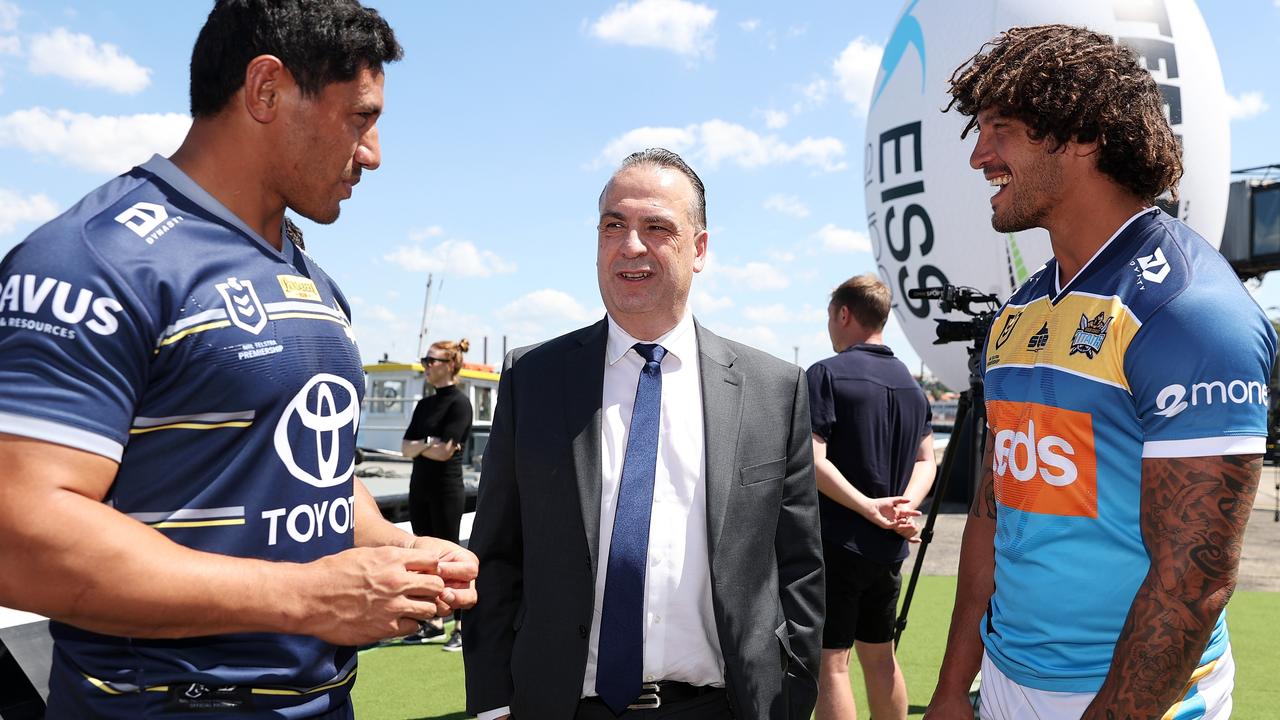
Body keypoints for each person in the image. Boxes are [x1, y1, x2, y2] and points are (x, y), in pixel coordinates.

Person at [0, 1, 477, 717]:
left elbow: (312, 481)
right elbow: (18, 533)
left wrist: (402, 555)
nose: (373, 152)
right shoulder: (97, 259)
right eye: (360, 117)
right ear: (266, 90)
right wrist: (308, 599)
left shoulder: (317, 288)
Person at [924, 25, 1275, 720]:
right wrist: (950, 688)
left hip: (1141, 698)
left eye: (1001, 129)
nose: (978, 156)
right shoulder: (1021, 311)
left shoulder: (1189, 310)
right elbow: (993, 516)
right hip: (1005, 679)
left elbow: (1192, 583)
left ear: (1081, 135)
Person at [463, 148, 824, 719]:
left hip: (723, 708)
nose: (631, 246)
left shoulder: (774, 390)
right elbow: (498, 553)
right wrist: (490, 704)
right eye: (614, 226)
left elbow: (800, 567)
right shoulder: (533, 379)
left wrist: (792, 695)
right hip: (564, 707)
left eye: (657, 227)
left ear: (699, 248)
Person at [808, 273, 935, 720]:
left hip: (836, 545)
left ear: (844, 314)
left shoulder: (825, 373)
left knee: (832, 665)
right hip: (887, 550)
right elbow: (927, 461)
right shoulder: (912, 387)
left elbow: (813, 460)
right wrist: (903, 507)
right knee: (881, 656)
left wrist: (867, 507)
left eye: (830, 316)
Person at [402, 338, 474, 651]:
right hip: (420, 487)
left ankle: (460, 625)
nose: (426, 366)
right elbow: (406, 449)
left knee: (448, 556)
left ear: (450, 365)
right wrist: (428, 444)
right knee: (422, 558)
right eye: (425, 360)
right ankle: (431, 621)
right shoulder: (423, 405)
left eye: (432, 361)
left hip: (446, 488)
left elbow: (446, 453)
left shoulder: (459, 403)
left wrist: (423, 446)